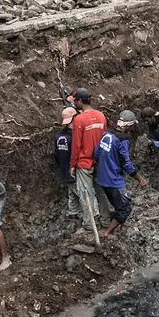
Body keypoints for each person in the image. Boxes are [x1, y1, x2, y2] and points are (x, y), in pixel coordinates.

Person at [95, 111, 149, 236]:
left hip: (102, 177)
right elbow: (126, 163)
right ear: (129, 126)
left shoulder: (106, 134)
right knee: (125, 208)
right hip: (113, 179)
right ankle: (107, 232)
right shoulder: (123, 140)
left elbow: (96, 153)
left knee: (117, 202)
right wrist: (139, 178)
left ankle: (121, 223)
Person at [69, 88, 111, 222]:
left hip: (84, 163)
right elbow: (105, 139)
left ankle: (89, 224)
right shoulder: (101, 116)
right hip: (100, 161)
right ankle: (105, 220)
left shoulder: (79, 120)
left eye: (75, 101)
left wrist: (72, 165)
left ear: (80, 101)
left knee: (86, 194)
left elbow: (76, 145)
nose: (74, 103)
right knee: (102, 192)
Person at [53, 93, 82, 220]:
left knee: (71, 191)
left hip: (64, 169)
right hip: (74, 170)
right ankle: (88, 215)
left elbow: (55, 155)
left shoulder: (58, 136)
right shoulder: (74, 137)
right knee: (81, 192)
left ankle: (73, 211)